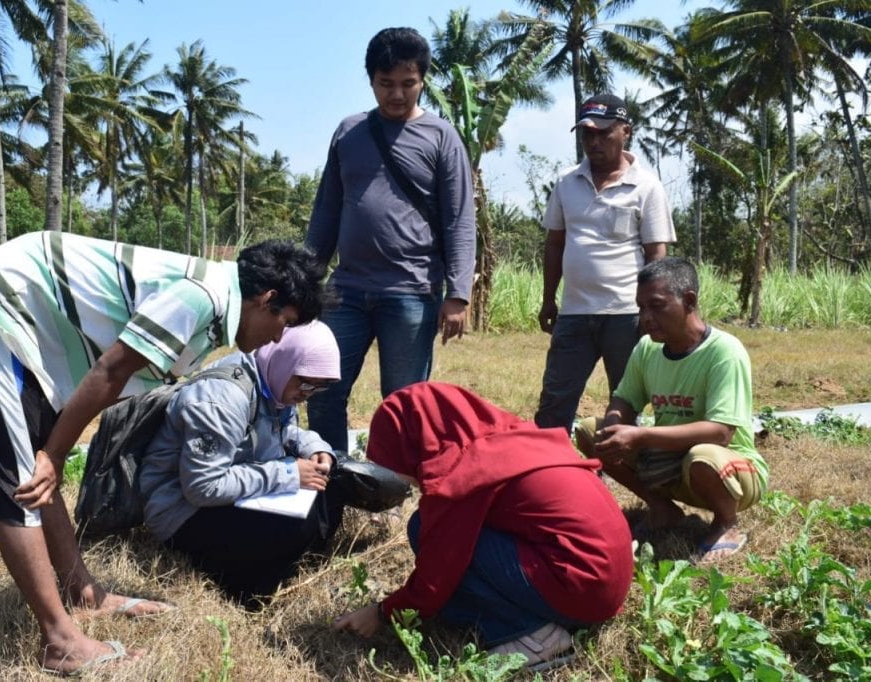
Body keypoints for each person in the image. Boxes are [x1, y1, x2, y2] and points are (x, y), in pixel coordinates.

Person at [0, 231, 328, 676]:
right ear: (267, 298)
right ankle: (60, 641)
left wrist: (53, 449)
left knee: (37, 464)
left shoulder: (214, 311)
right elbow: (113, 368)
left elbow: (119, 380)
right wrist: (55, 452)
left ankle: (81, 592)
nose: (278, 338)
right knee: (22, 480)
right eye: (285, 323)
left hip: (30, 319)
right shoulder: (200, 296)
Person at [332, 382, 634, 673]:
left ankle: (534, 637)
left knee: (423, 531)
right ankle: (551, 616)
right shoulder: (510, 441)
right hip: (608, 579)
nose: (400, 476)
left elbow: (437, 576)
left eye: (394, 462)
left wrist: (383, 613)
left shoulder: (466, 473)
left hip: (584, 586)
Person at [305, 26, 476, 452]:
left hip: (411, 292)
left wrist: (458, 294)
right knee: (321, 390)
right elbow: (327, 210)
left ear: (422, 80)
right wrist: (306, 279)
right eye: (386, 84)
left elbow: (459, 219)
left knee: (403, 404)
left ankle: (391, 485)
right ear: (371, 80)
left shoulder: (441, 136)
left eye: (408, 84)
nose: (397, 94)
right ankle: (333, 479)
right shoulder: (349, 132)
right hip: (346, 291)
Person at [575, 258, 769, 564]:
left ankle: (726, 523)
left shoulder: (724, 352)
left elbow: (721, 432)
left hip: (727, 468)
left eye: (656, 306)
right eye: (641, 308)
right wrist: (613, 427)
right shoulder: (647, 349)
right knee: (589, 431)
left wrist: (640, 436)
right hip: (671, 464)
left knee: (702, 456)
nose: (646, 318)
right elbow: (624, 400)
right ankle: (662, 508)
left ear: (689, 301)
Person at [141, 320, 344, 603]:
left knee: (334, 481)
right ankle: (247, 591)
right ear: (285, 359)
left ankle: (278, 567)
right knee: (289, 528)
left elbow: (278, 430)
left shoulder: (272, 378)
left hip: (232, 488)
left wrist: (314, 448)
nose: (306, 394)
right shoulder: (221, 399)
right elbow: (203, 487)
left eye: (317, 389)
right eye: (305, 382)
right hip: (181, 509)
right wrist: (287, 473)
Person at [535, 93, 676, 434]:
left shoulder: (646, 187)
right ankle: (546, 473)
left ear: (625, 131)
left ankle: (621, 466)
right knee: (555, 400)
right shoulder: (567, 183)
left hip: (625, 315)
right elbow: (554, 245)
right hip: (574, 313)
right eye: (587, 135)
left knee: (624, 400)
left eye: (604, 133)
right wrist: (549, 299)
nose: (594, 142)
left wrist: (651, 312)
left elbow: (657, 255)